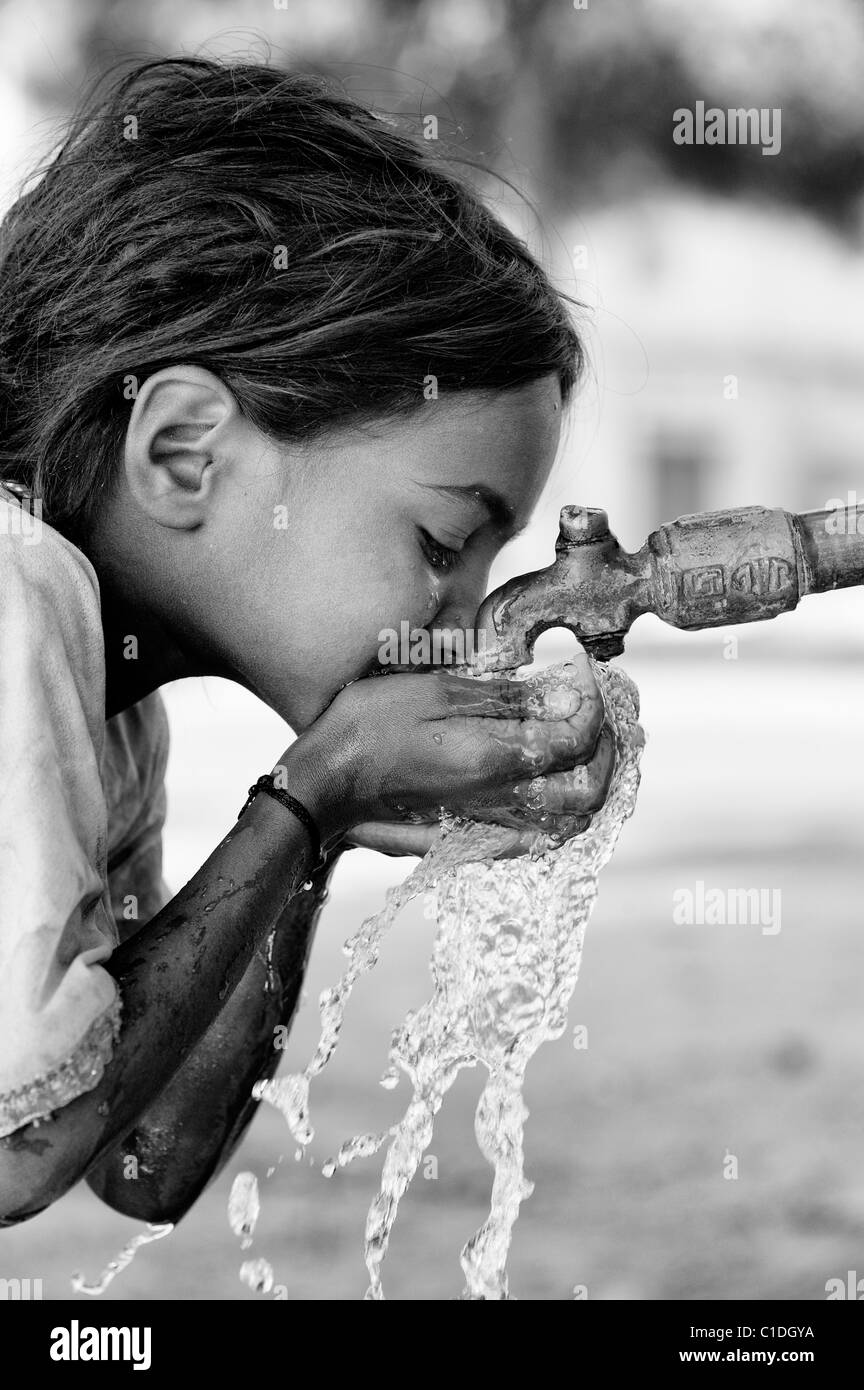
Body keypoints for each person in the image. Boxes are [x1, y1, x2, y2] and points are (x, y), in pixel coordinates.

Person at [0, 57, 614, 1226]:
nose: (473, 626)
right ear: (185, 452)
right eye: (443, 545)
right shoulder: (11, 598)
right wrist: (313, 787)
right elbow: (22, 1142)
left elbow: (141, 1162)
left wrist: (314, 825)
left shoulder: (119, 714)